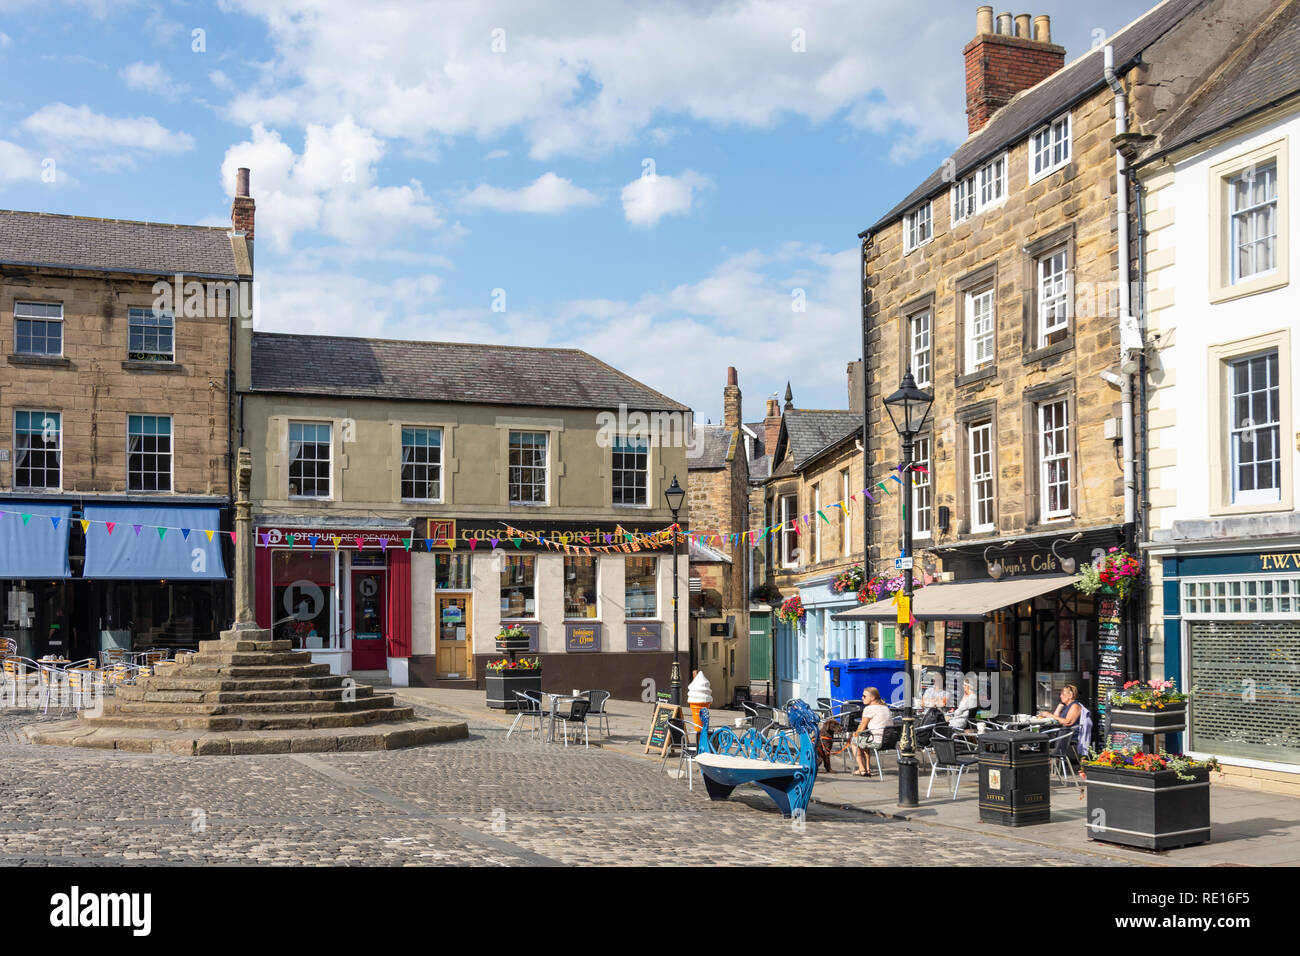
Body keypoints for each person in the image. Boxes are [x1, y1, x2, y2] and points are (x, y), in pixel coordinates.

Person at [849, 687, 893, 776]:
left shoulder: (869, 709)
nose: (862, 698)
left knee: (854, 742)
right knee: (864, 740)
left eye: (864, 696)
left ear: (872, 698)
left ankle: (861, 769)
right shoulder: (885, 708)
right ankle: (867, 769)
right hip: (890, 741)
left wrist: (855, 734)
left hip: (877, 741)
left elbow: (861, 729)